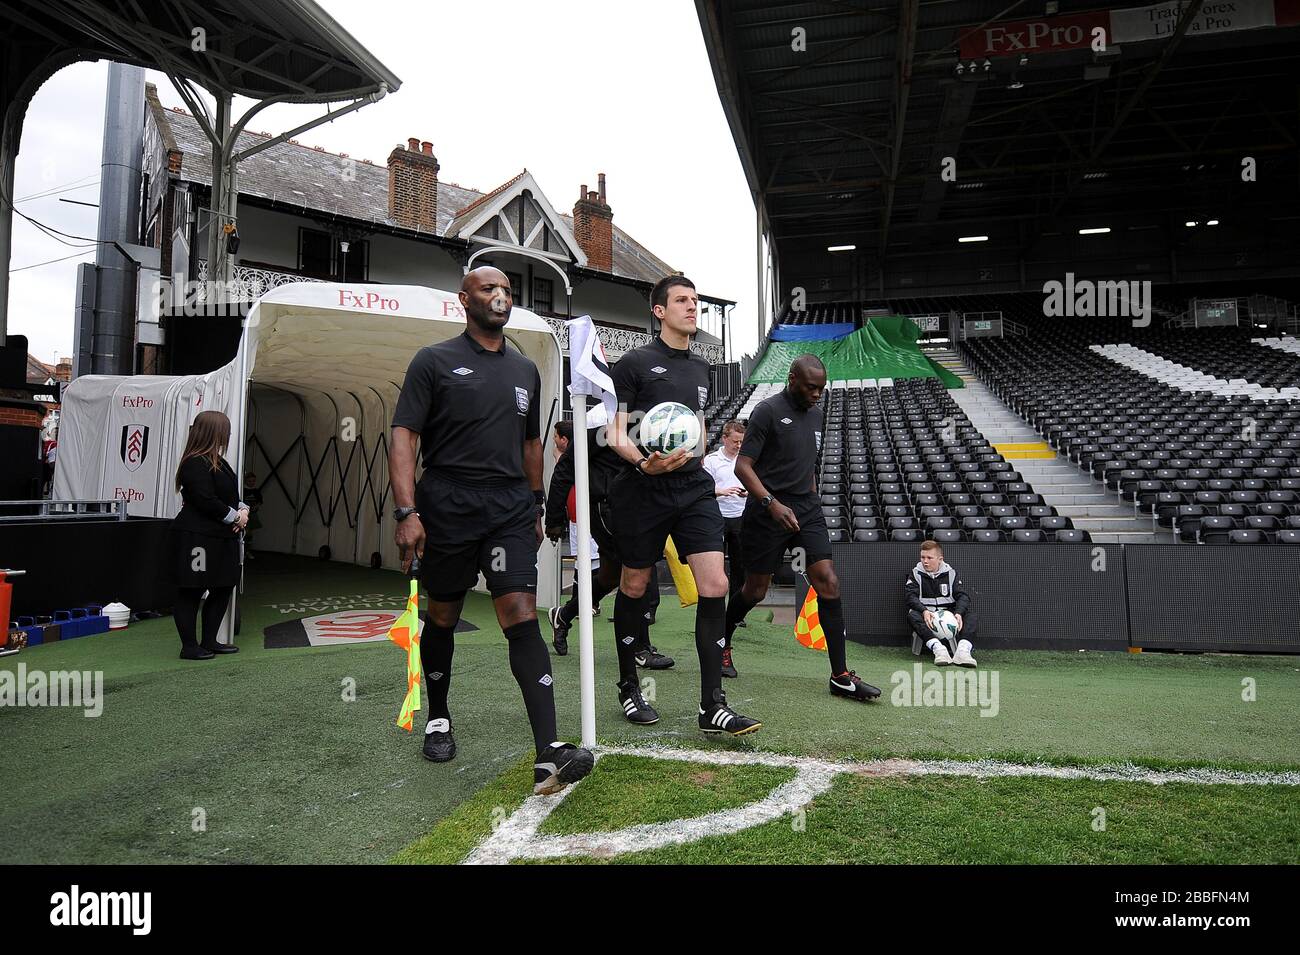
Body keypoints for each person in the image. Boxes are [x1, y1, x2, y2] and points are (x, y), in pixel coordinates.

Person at [389, 266, 593, 796]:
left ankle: (548, 753)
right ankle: (437, 715)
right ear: (465, 299)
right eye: (489, 289)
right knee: (443, 614)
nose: (501, 297)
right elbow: (404, 436)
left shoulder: (526, 369)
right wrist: (406, 511)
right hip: (448, 502)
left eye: (507, 291)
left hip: (507, 507)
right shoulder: (433, 360)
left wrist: (536, 500)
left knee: (520, 614)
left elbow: (532, 445)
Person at [604, 274, 761, 736]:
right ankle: (630, 687)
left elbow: (697, 426)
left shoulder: (700, 369)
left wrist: (699, 465)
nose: (693, 307)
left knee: (715, 583)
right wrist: (642, 463)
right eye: (682, 301)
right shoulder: (632, 364)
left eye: (695, 301)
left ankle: (712, 705)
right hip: (643, 487)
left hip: (692, 487)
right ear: (659, 310)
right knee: (634, 585)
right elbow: (614, 431)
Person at [725, 355, 881, 701]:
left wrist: (811, 500)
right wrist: (771, 503)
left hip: (806, 509)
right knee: (755, 590)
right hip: (767, 510)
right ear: (792, 378)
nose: (817, 394)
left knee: (828, 581)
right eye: (811, 387)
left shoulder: (817, 415)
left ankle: (840, 675)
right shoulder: (766, 411)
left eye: (821, 388)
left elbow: (808, 463)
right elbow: (742, 467)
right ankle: (723, 637)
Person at [544, 425, 671, 669]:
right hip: (606, 510)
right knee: (639, 569)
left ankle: (563, 616)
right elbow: (563, 471)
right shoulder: (599, 433)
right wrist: (554, 520)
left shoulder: (651, 431)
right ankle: (640, 647)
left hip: (635, 511)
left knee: (611, 576)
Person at [168, 410, 245, 660]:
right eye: (225, 430)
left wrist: (243, 510)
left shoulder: (218, 461)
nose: (228, 435)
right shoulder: (194, 462)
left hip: (221, 538)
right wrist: (235, 516)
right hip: (197, 538)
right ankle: (189, 646)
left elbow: (228, 495)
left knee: (223, 586)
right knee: (192, 589)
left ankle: (210, 640)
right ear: (213, 432)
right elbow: (205, 500)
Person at [702, 418, 747, 676]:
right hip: (717, 517)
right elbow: (705, 489)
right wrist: (722, 491)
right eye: (735, 441)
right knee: (717, 568)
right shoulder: (710, 461)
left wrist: (745, 492)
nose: (739, 445)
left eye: (742, 441)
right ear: (725, 439)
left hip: (741, 516)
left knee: (741, 567)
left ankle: (737, 611)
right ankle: (716, 607)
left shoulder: (746, 458)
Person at [906, 540, 977, 667]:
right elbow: (910, 597)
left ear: (940, 559)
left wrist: (958, 613)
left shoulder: (951, 573)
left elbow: (963, 596)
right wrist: (924, 610)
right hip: (927, 615)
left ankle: (963, 652)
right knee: (912, 615)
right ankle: (939, 650)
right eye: (923, 557)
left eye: (929, 558)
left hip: (948, 614)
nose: (925, 561)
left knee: (971, 616)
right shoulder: (916, 573)